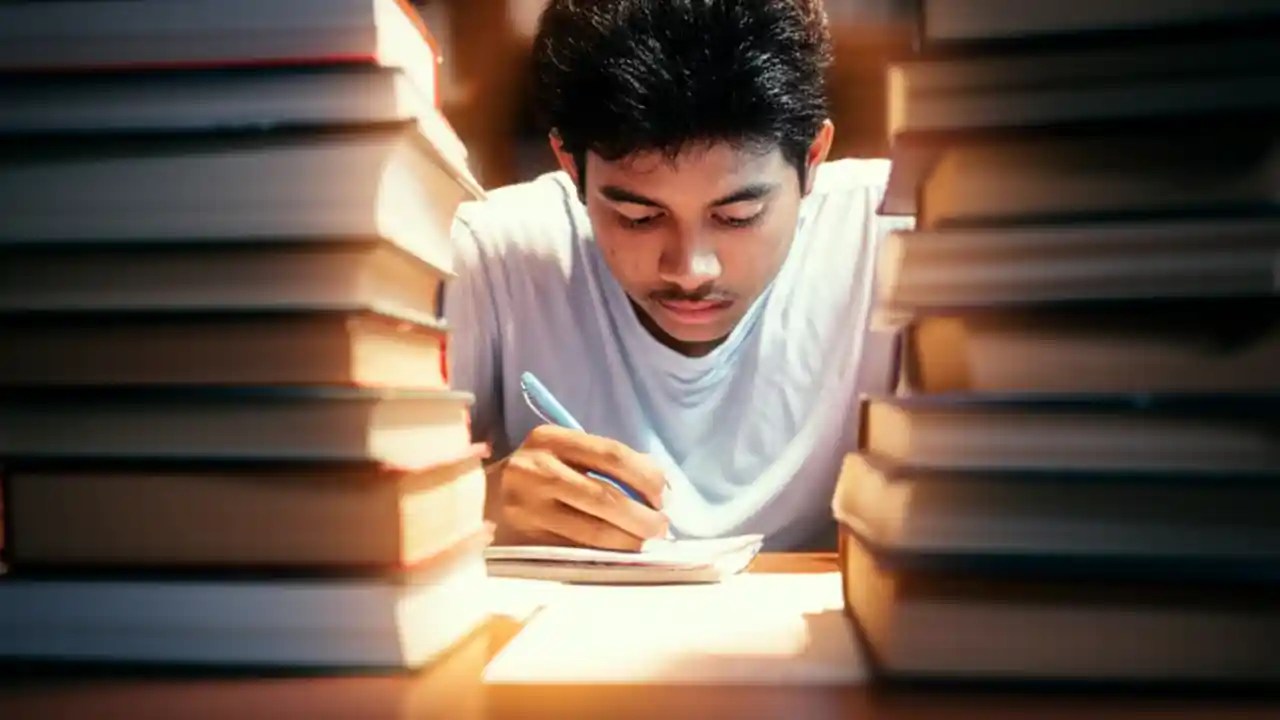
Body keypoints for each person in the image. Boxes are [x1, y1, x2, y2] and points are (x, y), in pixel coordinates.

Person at [445, 0, 911, 551]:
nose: (691, 271)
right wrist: (477, 502)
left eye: (737, 217)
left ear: (812, 158)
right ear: (571, 166)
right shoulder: (493, 255)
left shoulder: (895, 233)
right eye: (638, 218)